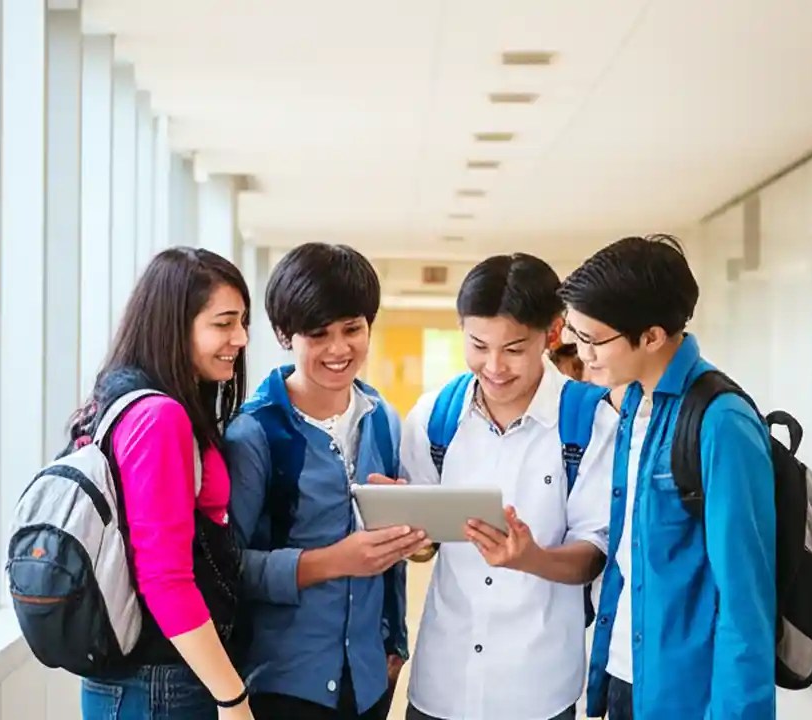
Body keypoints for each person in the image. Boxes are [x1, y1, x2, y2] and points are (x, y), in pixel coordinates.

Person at [560, 234, 776, 720]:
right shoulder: (634, 401)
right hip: (625, 672)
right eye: (576, 336)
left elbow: (747, 601)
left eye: (594, 340)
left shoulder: (721, 423)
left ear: (653, 336)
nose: (582, 354)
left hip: (687, 695)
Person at [399, 253, 613, 720]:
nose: (494, 366)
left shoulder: (592, 421)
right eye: (478, 345)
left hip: (537, 691)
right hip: (441, 685)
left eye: (514, 349)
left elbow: (594, 552)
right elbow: (424, 550)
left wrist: (530, 558)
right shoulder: (435, 416)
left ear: (552, 334)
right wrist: (403, 529)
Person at [225, 243, 428, 720]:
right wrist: (331, 562)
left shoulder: (384, 420)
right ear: (283, 335)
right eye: (318, 334)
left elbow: (395, 560)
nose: (340, 349)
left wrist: (393, 642)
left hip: (370, 678)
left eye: (353, 329)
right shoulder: (253, 432)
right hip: (284, 682)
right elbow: (225, 567)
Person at [74, 247, 254, 720]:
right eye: (223, 323)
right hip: (159, 683)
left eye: (242, 321)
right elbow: (165, 578)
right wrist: (232, 697)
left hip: (136, 678)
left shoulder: (113, 398)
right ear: (176, 325)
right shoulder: (160, 418)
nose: (240, 337)